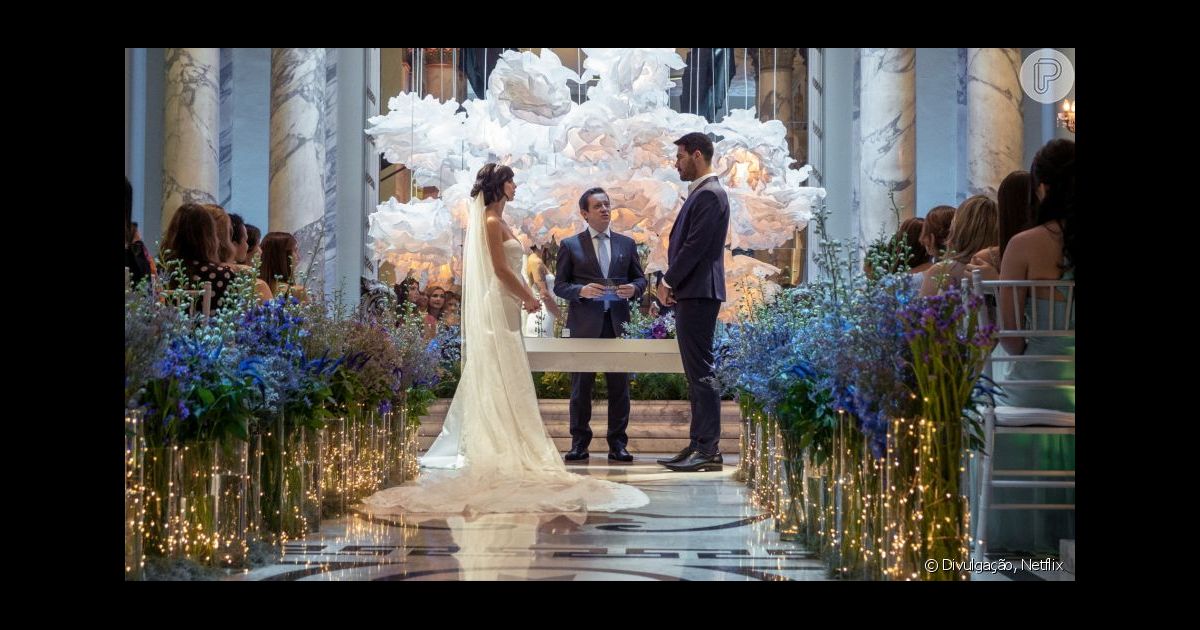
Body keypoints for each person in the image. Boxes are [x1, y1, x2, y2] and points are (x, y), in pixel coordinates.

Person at [364, 163, 648, 514]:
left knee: (510, 373)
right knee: (502, 372)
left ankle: (512, 442)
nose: (517, 186)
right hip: (499, 304)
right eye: (512, 181)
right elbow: (499, 270)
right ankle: (500, 446)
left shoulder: (502, 221)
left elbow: (517, 267)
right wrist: (528, 297)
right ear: (501, 185)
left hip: (512, 303)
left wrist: (537, 296)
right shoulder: (489, 221)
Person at [553, 187, 647, 462]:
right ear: (585, 213)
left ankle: (617, 444)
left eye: (607, 205)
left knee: (620, 388)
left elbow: (640, 280)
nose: (605, 209)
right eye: (598, 206)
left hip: (617, 324)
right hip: (584, 326)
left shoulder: (626, 244)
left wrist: (634, 288)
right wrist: (581, 291)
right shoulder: (570, 245)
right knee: (581, 389)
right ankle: (579, 443)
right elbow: (560, 286)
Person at [656, 132, 729, 472]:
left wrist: (668, 280)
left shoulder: (711, 195)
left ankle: (709, 448)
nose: (676, 163)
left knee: (701, 372)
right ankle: (699, 442)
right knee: (695, 372)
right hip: (694, 291)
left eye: (680, 156)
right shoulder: (703, 193)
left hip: (700, 291)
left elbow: (695, 247)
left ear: (696, 155)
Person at [524, 244, 562, 337]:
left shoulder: (536, 259)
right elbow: (544, 294)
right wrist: (560, 316)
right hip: (542, 314)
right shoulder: (536, 261)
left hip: (546, 313)